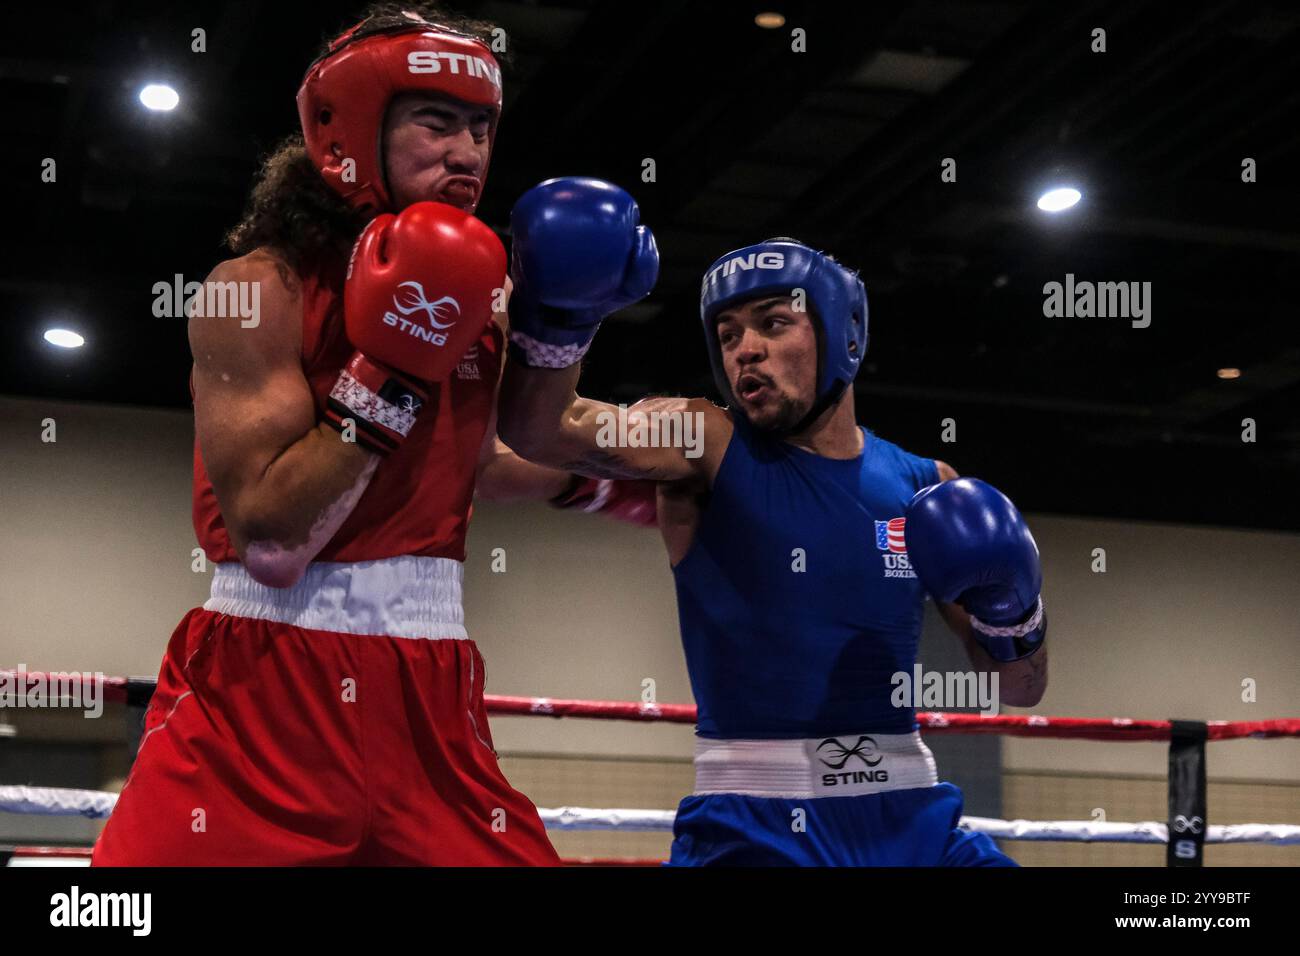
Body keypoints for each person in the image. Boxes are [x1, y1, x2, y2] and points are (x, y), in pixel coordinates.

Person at [92, 6, 653, 867]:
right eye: (436, 122)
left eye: (480, 126)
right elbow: (274, 538)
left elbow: (494, 453)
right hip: (261, 681)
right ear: (348, 128)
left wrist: (617, 464)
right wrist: (393, 368)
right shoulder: (256, 289)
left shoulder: (480, 291)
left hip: (428, 681)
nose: (466, 152)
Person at [497, 177, 1049, 865]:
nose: (744, 349)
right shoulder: (703, 440)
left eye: (773, 322)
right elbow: (542, 427)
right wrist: (559, 321)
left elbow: (1020, 689)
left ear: (841, 331)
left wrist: (1014, 609)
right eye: (727, 334)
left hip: (913, 818)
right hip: (753, 821)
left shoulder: (925, 485)